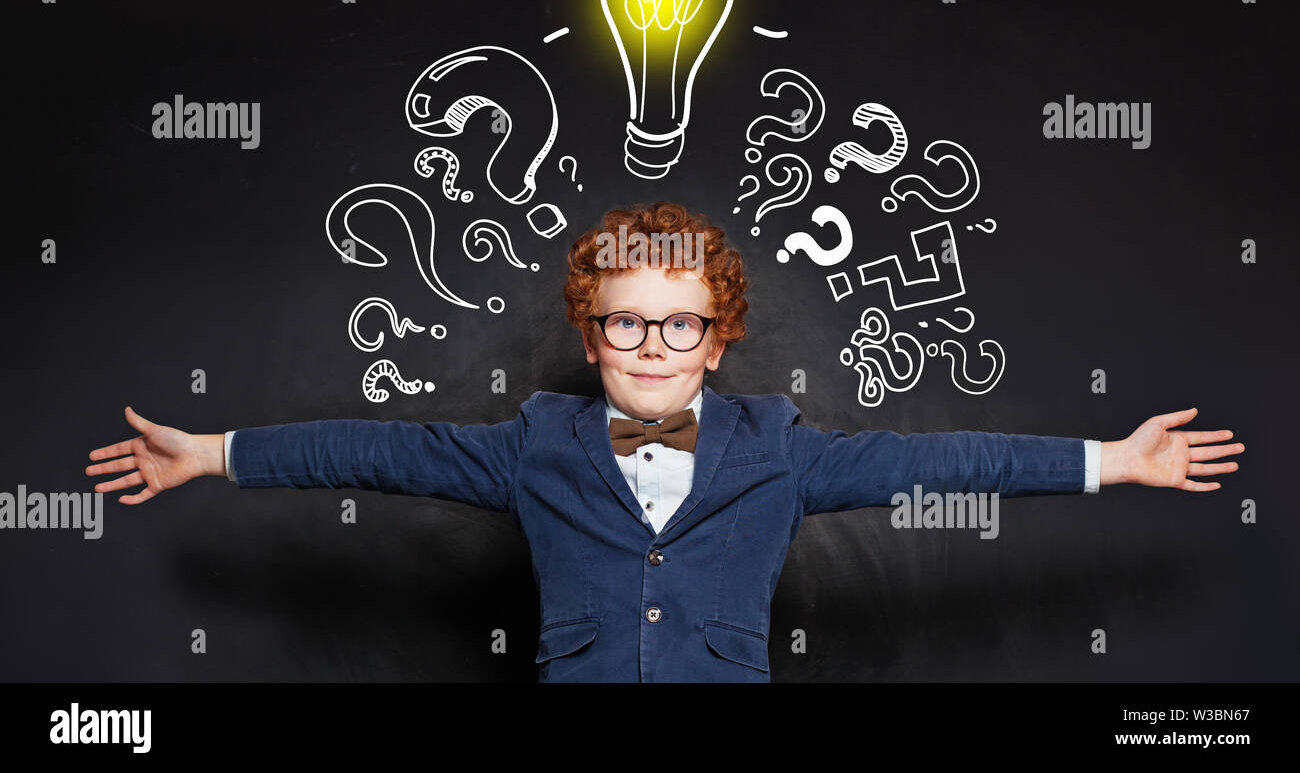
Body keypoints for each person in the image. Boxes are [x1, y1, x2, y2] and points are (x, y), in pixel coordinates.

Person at [86, 201, 1244, 682]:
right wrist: (213, 450)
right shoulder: (532, 445)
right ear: (591, 335)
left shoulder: (779, 447)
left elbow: (946, 464)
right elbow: (367, 451)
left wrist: (1115, 460)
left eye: (676, 322)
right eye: (625, 321)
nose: (650, 341)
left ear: (717, 336)